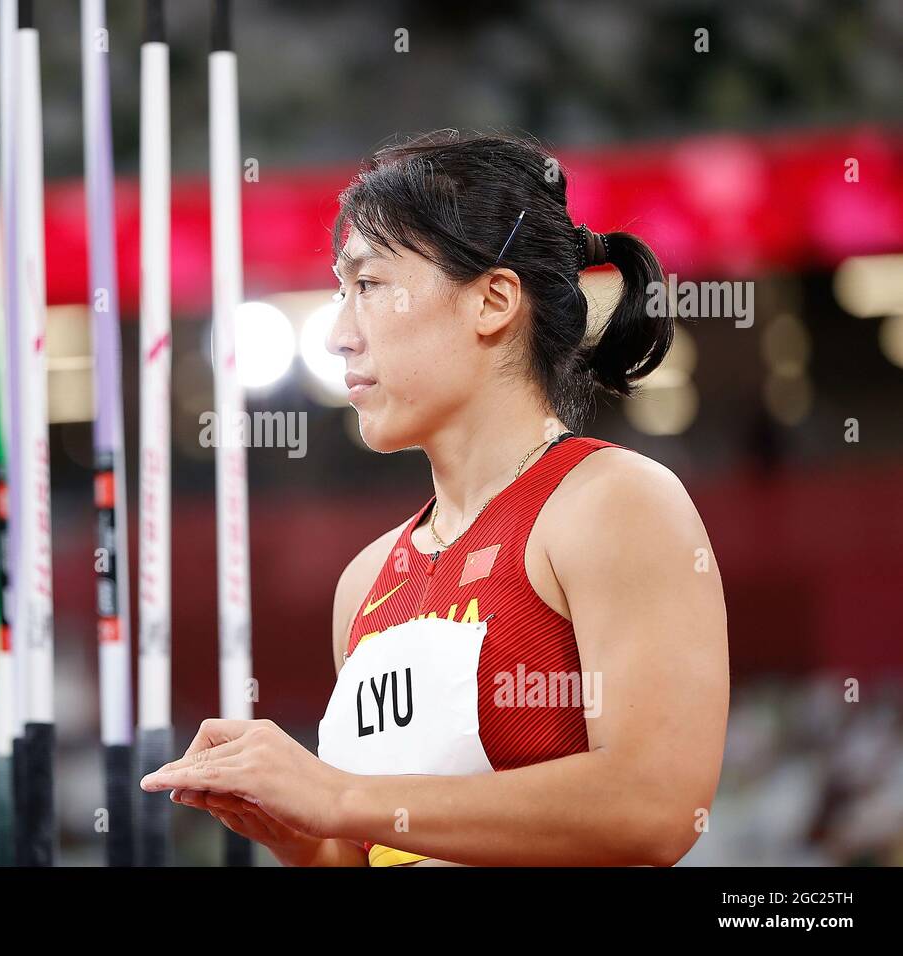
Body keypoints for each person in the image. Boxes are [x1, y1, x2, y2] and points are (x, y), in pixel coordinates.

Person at [141, 131, 729, 866]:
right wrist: (298, 830)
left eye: (370, 286)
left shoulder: (614, 504)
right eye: (338, 290)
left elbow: (658, 807)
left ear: (492, 300)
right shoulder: (364, 582)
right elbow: (372, 852)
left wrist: (337, 798)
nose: (337, 335)